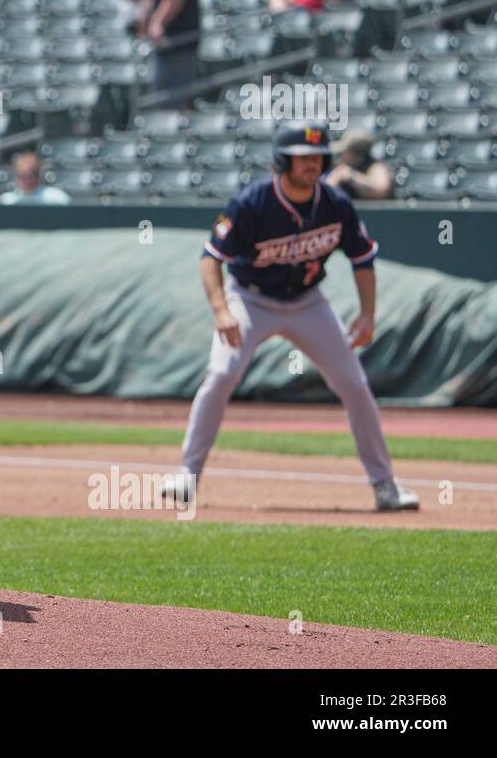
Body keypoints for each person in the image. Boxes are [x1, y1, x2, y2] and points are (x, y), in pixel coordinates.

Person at [165, 122, 419, 512]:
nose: (311, 164)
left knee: (354, 384)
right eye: (302, 158)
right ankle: (187, 474)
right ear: (283, 161)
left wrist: (368, 315)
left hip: (307, 303)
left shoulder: (335, 204)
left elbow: (363, 259)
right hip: (249, 300)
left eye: (317, 157)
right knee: (221, 374)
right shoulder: (251, 203)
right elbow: (210, 259)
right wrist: (221, 310)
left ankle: (385, 487)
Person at [326, 129, 394, 200]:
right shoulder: (339, 167)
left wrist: (350, 176)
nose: (340, 155)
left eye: (344, 152)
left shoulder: (376, 167)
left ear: (353, 154)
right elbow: (326, 194)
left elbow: (381, 190)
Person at [0, 151, 71, 204]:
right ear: (16, 176)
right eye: (24, 175)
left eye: (33, 174)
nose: (28, 180)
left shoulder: (57, 198)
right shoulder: (7, 201)